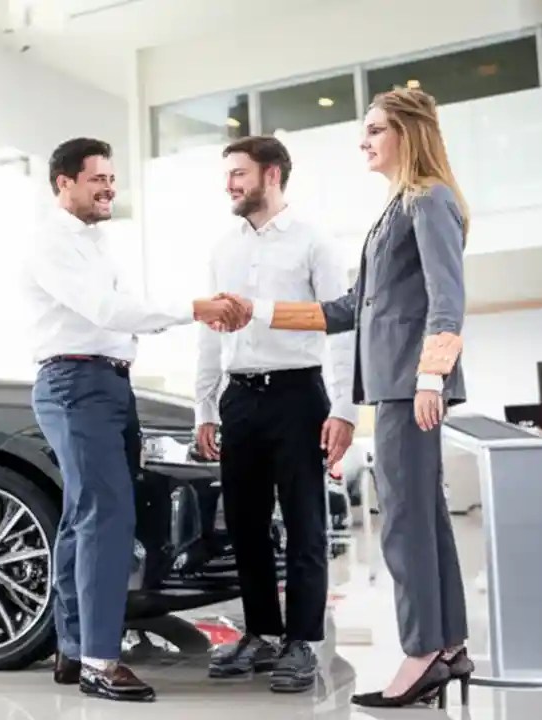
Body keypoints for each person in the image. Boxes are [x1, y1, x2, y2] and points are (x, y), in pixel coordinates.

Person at [213, 88, 473, 708]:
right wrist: (262, 311)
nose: (364, 141)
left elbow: (447, 297)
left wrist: (431, 378)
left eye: (375, 130)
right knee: (426, 522)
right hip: (396, 386)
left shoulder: (428, 198)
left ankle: (419, 655)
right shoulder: (397, 209)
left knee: (405, 524)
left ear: (408, 134)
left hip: (410, 387)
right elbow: (347, 309)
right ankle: (450, 645)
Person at [21, 137, 245, 703]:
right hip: (76, 383)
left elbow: (124, 314)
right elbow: (107, 311)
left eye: (112, 179)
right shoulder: (52, 243)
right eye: (97, 178)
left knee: (81, 516)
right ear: (63, 183)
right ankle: (101, 660)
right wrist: (195, 308)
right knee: (106, 516)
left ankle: (73, 648)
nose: (109, 188)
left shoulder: (96, 245)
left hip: (107, 382)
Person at [194, 136, 356, 694]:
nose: (229, 184)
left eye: (238, 173)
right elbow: (210, 333)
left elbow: (340, 327)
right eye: (227, 175)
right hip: (240, 399)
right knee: (245, 524)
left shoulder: (315, 242)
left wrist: (344, 407)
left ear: (271, 174)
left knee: (306, 523)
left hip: (298, 396)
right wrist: (205, 406)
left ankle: (302, 641)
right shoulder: (223, 248)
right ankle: (261, 632)